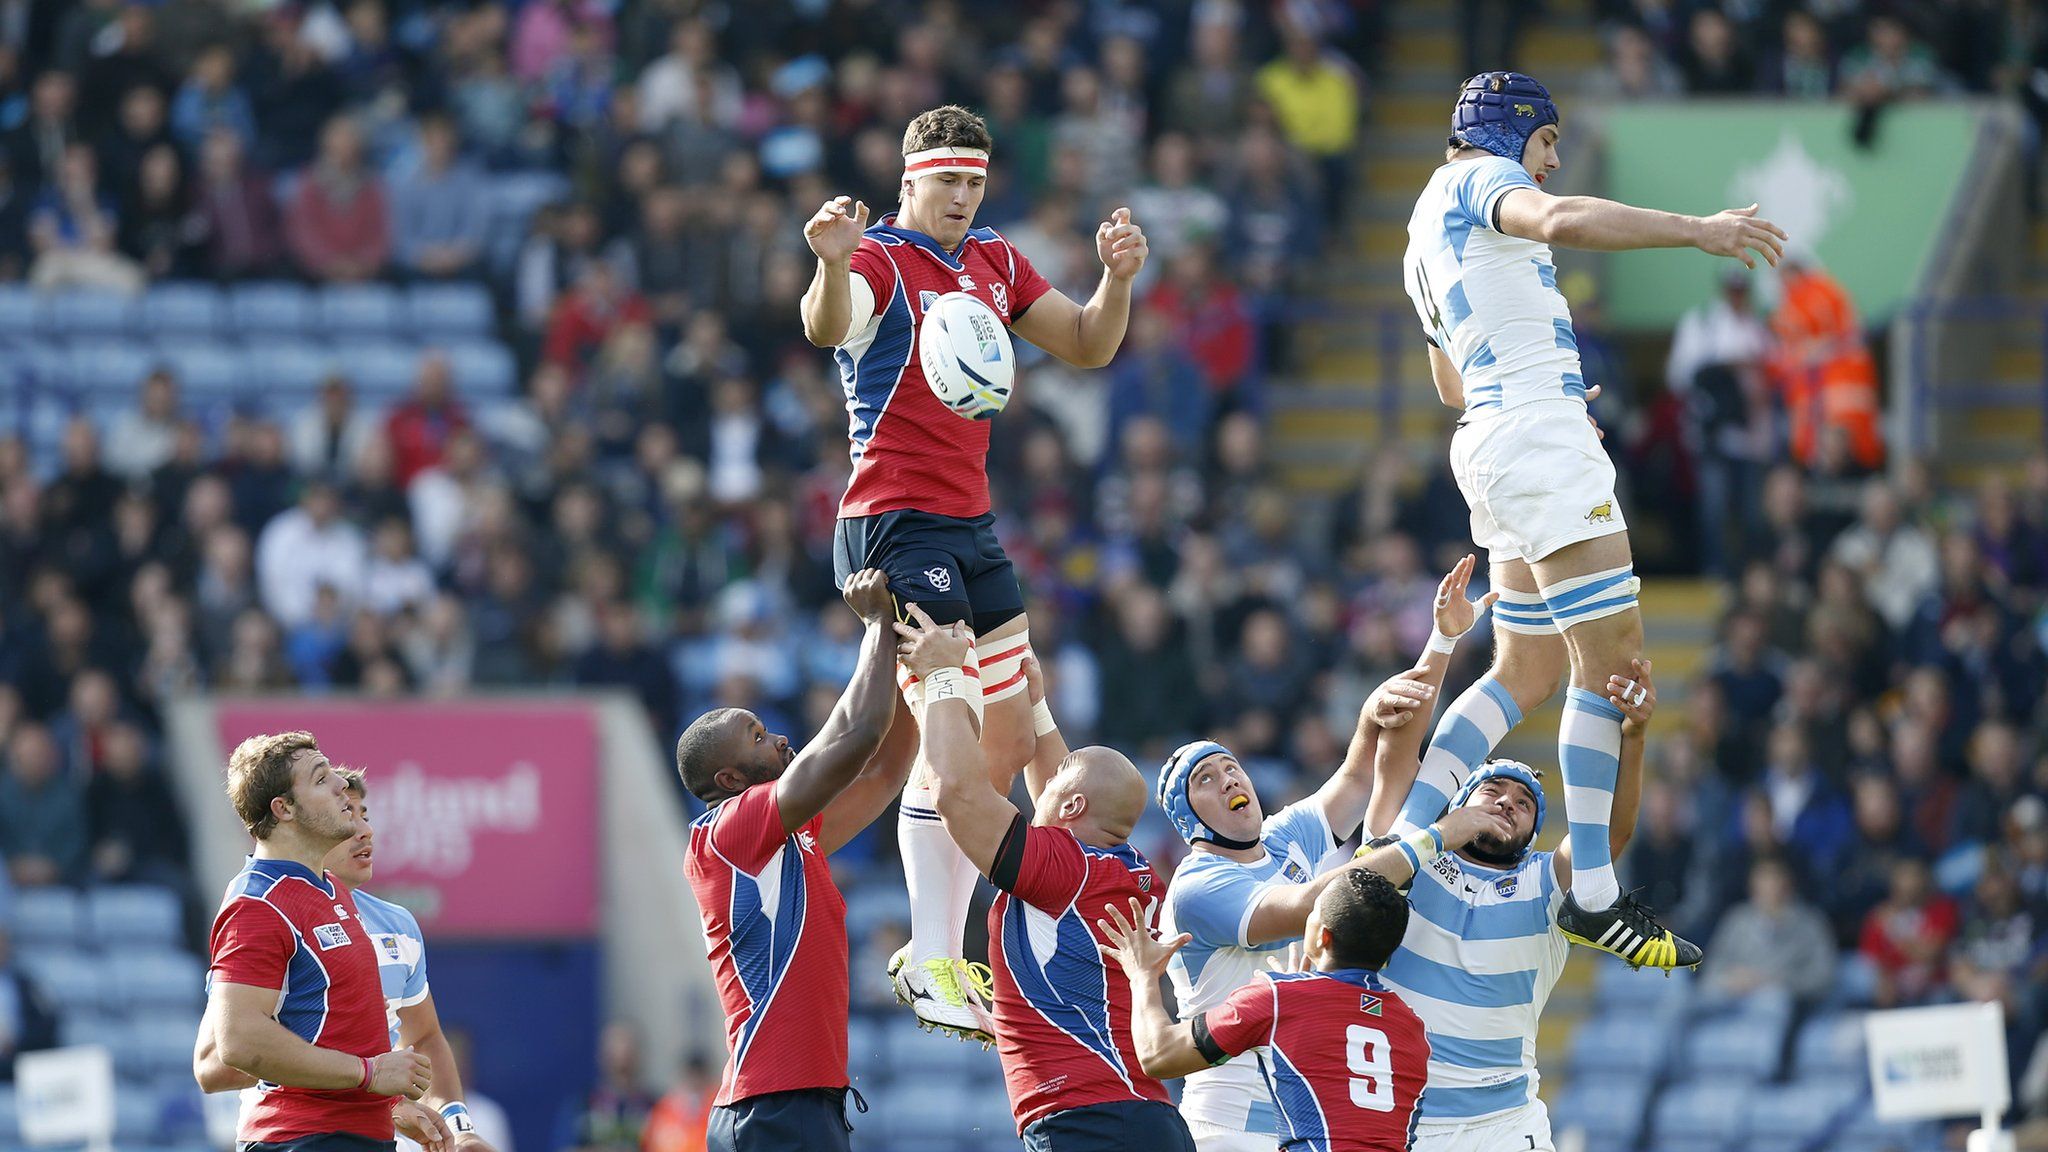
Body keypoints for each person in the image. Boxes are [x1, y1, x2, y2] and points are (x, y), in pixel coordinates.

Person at [1395, 70, 1785, 967]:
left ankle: (1407, 832)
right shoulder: (1483, 181)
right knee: (1614, 670)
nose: (1553, 161)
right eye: (1545, 144)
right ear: (1507, 133)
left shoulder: (1420, 225)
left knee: (1524, 665)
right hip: (1533, 437)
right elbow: (1561, 220)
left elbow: (1449, 380)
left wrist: (1542, 381)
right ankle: (1596, 896)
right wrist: (1700, 231)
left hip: (1494, 433)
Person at [798, 102, 1149, 1038]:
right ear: (908, 181)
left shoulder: (993, 257)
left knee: (996, 744)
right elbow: (829, 327)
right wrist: (830, 260)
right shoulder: (877, 258)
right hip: (895, 524)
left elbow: (1085, 343)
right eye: (945, 180)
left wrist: (1115, 283)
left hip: (969, 523)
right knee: (945, 729)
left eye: (973, 181)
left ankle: (936, 951)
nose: (960, 196)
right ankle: (934, 956)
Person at [1152, 555, 1513, 1152]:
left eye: (1229, 766)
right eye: (1206, 781)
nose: (1227, 779)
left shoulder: (1284, 834)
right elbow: (1320, 901)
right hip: (1232, 1123)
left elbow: (1360, 772)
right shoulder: (1197, 885)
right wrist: (1442, 833)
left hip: (1308, 1114)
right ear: (1190, 819)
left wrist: (1439, 644)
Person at [907, 605, 1194, 1150]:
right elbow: (1059, 796)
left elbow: (955, 795)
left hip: (1088, 1118)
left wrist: (942, 677)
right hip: (1142, 1114)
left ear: (1074, 805)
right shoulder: (1124, 867)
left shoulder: (1066, 870)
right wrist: (1035, 704)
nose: (1046, 781)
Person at [1369, 639, 1663, 1152]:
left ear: (1532, 831)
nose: (1508, 802)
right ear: (1459, 802)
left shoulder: (1544, 879)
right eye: (1493, 791)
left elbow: (1609, 835)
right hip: (1403, 1118)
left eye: (1525, 803)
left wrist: (1634, 736)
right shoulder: (1412, 858)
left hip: (1505, 1123)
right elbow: (1365, 858)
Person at [675, 569, 933, 1152]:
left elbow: (884, 770)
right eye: (759, 736)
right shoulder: (729, 829)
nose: (782, 740)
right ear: (729, 778)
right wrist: (874, 626)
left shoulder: (785, 837)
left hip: (798, 1102)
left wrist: (918, 670)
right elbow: (855, 734)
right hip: (772, 1107)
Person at [195, 769, 499, 1152]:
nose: (363, 831)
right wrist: (370, 1084)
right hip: (299, 1135)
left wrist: (458, 1127)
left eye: (364, 816)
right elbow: (213, 1063)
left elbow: (422, 1038)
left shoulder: (398, 926)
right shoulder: (267, 911)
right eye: (347, 816)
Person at [1102, 869, 1430, 1152]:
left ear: (1323, 936)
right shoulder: (1413, 1027)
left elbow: (1159, 1055)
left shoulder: (1276, 998)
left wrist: (1142, 975)